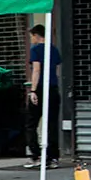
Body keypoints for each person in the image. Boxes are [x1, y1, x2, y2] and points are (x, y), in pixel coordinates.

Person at [27, 23, 61, 167]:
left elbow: (36, 69)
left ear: (36, 35)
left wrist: (33, 90)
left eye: (32, 37)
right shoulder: (53, 49)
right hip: (53, 88)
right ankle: (53, 158)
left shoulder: (36, 50)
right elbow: (57, 69)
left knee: (30, 123)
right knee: (51, 123)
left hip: (40, 88)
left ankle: (36, 155)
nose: (32, 40)